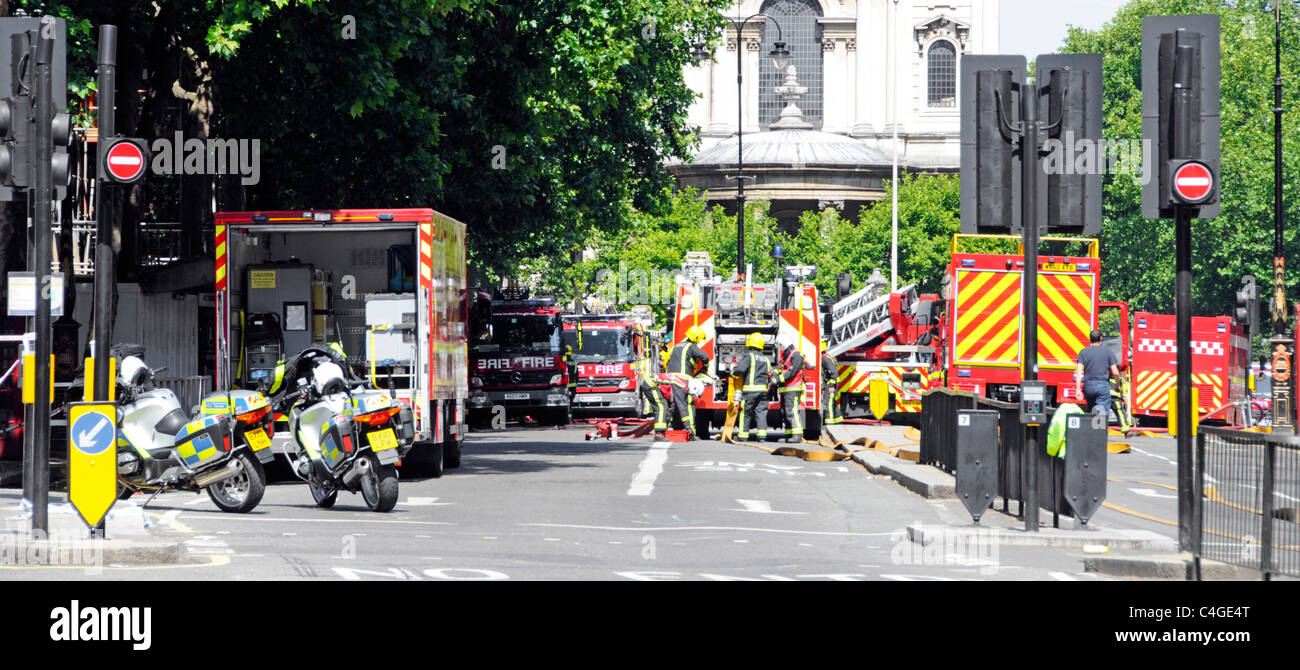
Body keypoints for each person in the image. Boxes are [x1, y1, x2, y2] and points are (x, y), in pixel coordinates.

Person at [666, 326, 710, 438]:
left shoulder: (676, 346)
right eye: (699, 339)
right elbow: (705, 356)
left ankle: (667, 427)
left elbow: (667, 360)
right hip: (683, 379)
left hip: (671, 379)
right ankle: (691, 430)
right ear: (695, 338)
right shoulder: (692, 346)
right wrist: (704, 368)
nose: (699, 342)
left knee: (674, 403)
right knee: (688, 402)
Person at [731, 332, 770, 441]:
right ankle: (762, 436)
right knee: (761, 412)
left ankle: (743, 436)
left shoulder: (749, 356)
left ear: (750, 343)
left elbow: (740, 370)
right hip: (763, 391)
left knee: (746, 413)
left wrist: (732, 373)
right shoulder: (766, 359)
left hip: (750, 391)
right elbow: (769, 373)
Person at [1074, 329, 1120, 418]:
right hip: (1102, 386)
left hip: (1088, 386)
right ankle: (1099, 430)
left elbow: (1079, 370)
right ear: (1101, 338)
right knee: (1101, 415)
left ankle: (1091, 430)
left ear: (1090, 339)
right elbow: (1115, 371)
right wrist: (1117, 385)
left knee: (1091, 411)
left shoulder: (1083, 352)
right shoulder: (1108, 352)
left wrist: (1078, 389)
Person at [774, 333, 807, 443]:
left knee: (791, 411)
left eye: (780, 345)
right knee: (785, 412)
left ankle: (797, 435)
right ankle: (789, 435)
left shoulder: (796, 356)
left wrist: (778, 379)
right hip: (786, 389)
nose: (780, 348)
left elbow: (791, 372)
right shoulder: (787, 355)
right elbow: (782, 369)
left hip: (793, 389)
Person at [634, 354, 668, 438]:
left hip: (647, 382)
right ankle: (659, 433)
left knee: (659, 406)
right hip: (650, 384)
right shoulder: (681, 386)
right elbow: (680, 404)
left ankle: (659, 431)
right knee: (661, 406)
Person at [819, 338, 843, 426]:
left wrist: (831, 385)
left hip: (831, 383)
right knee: (832, 402)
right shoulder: (824, 357)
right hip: (830, 382)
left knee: (827, 402)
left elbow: (834, 372)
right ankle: (838, 419)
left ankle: (829, 422)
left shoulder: (825, 359)